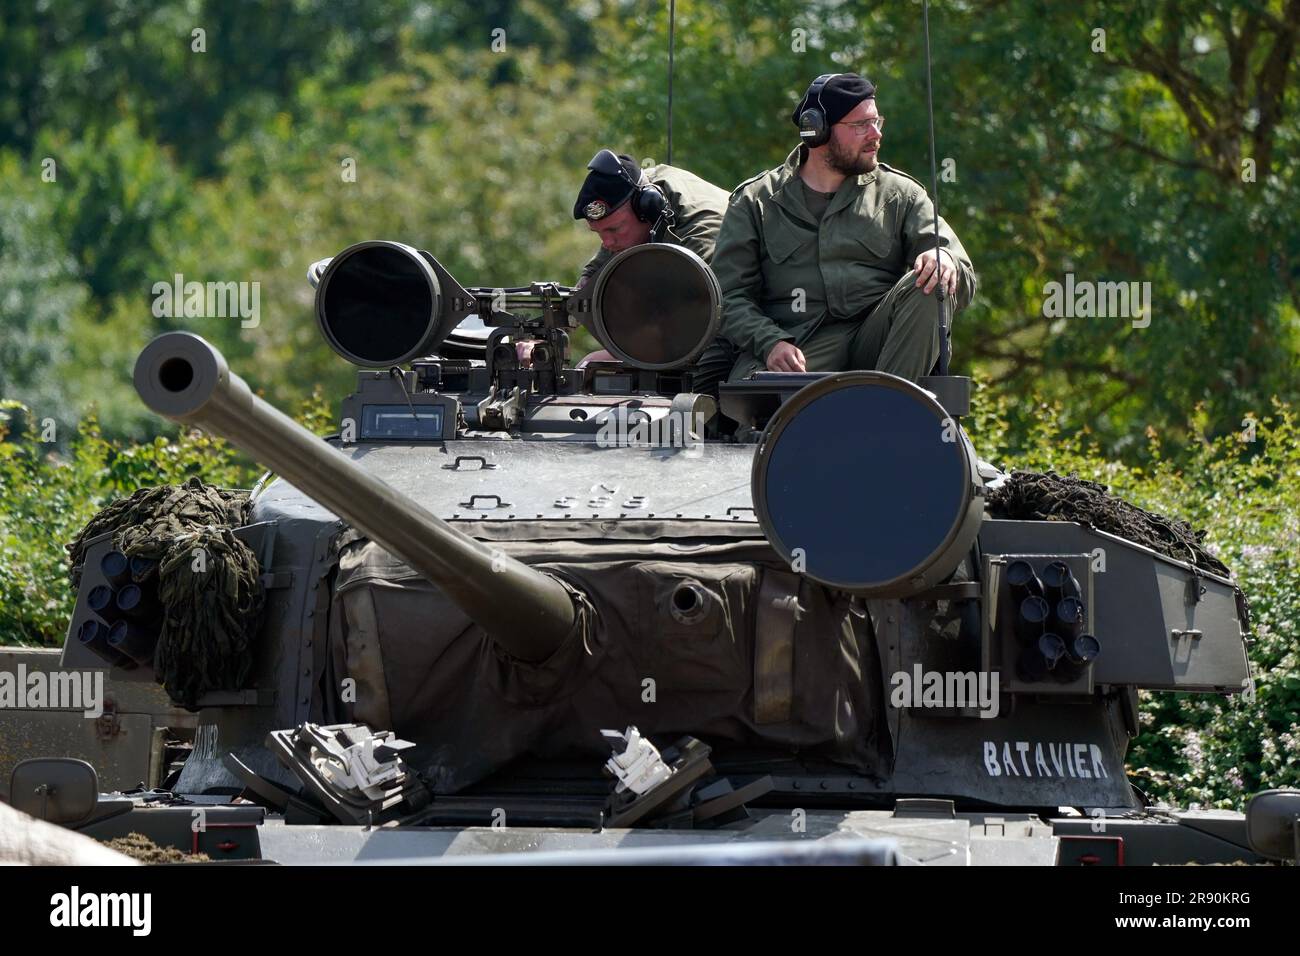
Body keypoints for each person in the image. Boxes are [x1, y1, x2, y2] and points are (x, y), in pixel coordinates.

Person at [711, 73, 976, 384]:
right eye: (861, 125)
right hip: (798, 348)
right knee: (759, 397)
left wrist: (945, 259)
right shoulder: (757, 201)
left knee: (934, 283)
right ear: (818, 131)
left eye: (877, 122)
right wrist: (769, 342)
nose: (876, 135)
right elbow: (727, 296)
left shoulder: (899, 195)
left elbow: (964, 275)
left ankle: (887, 414)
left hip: (879, 344)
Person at [572, 150, 737, 395]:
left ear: (647, 208)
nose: (607, 242)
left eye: (614, 230)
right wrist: (549, 331)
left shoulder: (701, 232)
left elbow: (706, 316)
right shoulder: (633, 194)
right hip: (688, 302)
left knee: (700, 388)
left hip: (744, 309)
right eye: (599, 233)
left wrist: (618, 354)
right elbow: (588, 285)